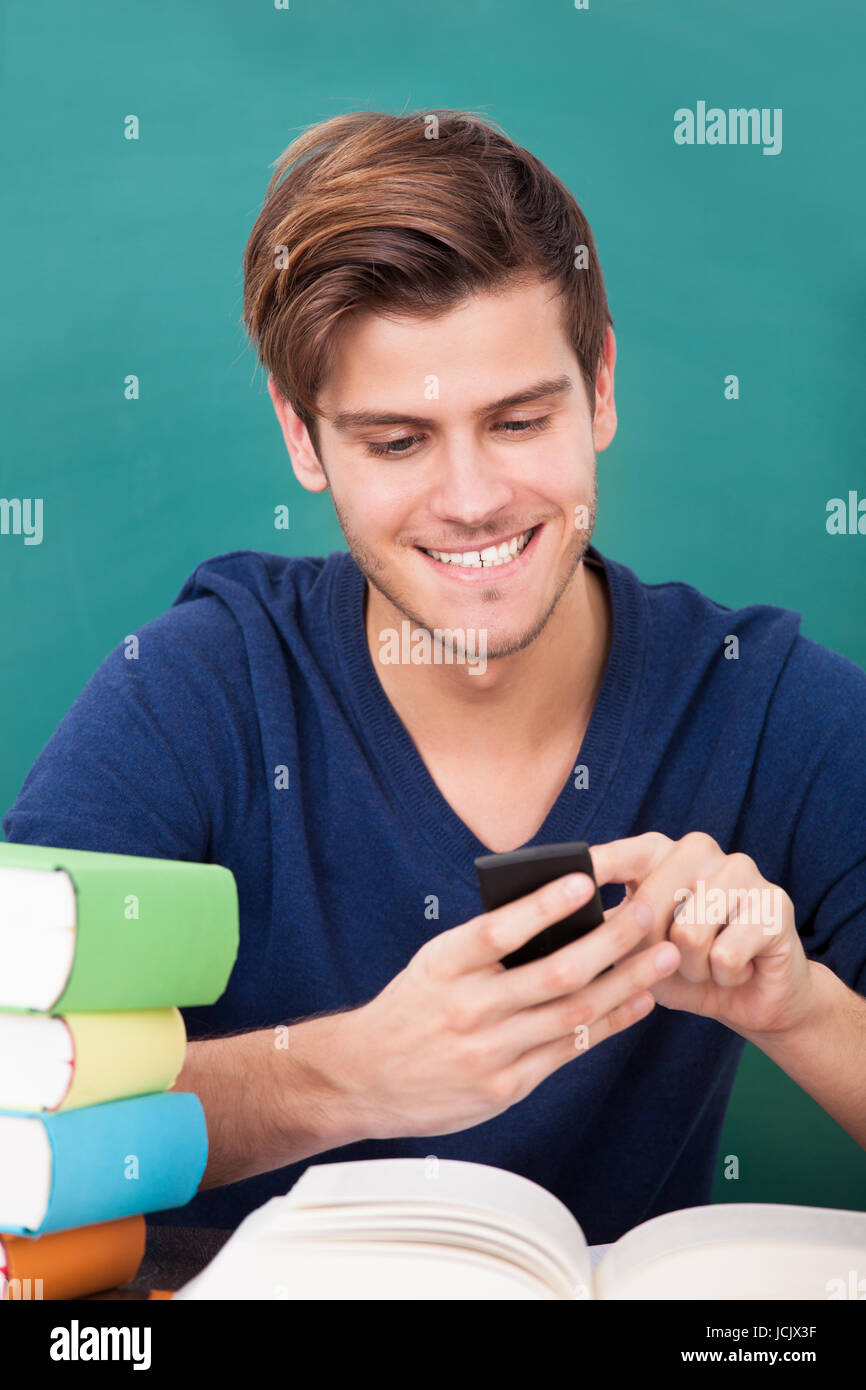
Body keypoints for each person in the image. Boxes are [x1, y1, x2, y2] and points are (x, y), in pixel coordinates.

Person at [5, 109, 866, 1245]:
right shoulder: (196, 692)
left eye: (516, 420)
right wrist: (346, 1074)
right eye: (395, 441)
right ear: (303, 439)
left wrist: (799, 1008)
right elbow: (17, 1096)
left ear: (599, 386)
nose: (468, 498)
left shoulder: (769, 710)